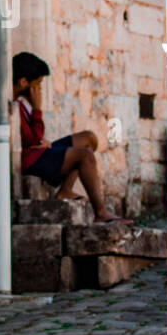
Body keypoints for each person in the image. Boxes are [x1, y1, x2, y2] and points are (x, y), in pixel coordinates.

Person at [12, 51, 129, 224]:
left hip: (37, 153)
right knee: (85, 155)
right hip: (30, 160)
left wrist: (41, 141)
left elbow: (37, 140)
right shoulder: (16, 106)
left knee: (88, 139)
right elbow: (34, 141)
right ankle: (101, 212)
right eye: (37, 84)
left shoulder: (22, 105)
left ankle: (65, 190)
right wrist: (37, 109)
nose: (40, 90)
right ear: (23, 82)